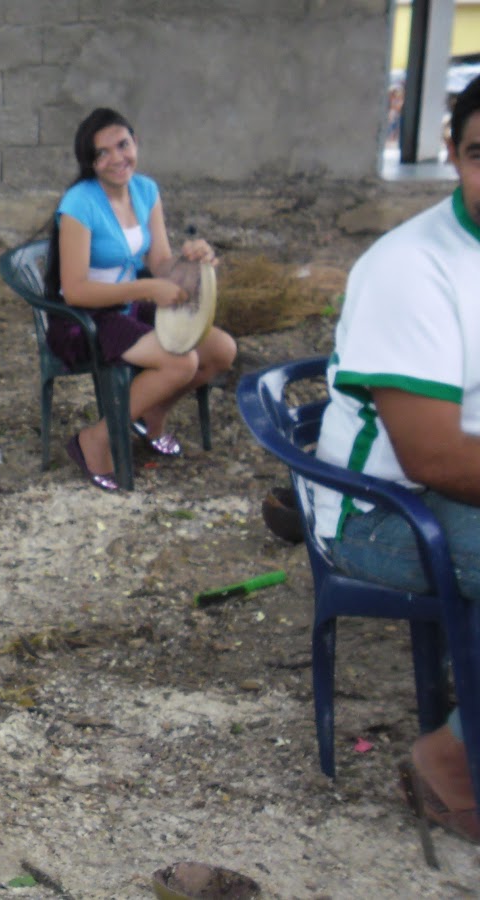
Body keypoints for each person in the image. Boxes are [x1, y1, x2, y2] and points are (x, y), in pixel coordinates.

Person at [312, 74, 480, 843]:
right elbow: (436, 457)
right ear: (452, 153)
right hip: (385, 509)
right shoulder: (412, 268)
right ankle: (449, 757)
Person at [42, 108, 238, 491]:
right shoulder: (79, 204)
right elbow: (76, 288)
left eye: (123, 144)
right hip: (84, 317)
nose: (117, 159)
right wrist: (147, 289)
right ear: (91, 163)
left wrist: (194, 259)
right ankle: (94, 440)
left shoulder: (145, 190)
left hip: (128, 307)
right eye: (102, 153)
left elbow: (161, 263)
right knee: (181, 362)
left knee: (221, 350)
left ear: (136, 143)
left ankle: (152, 415)